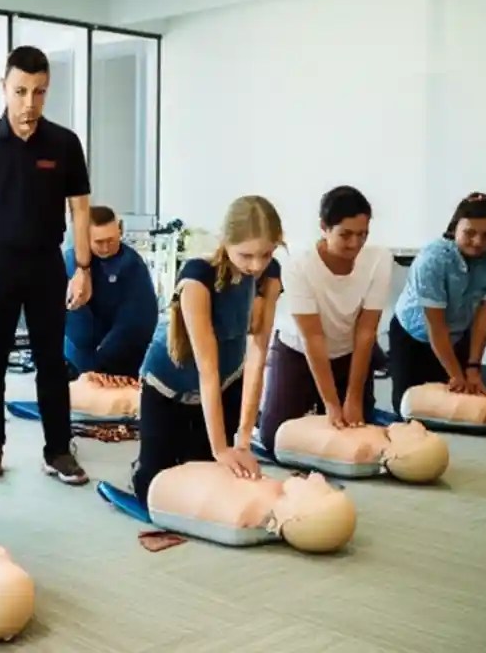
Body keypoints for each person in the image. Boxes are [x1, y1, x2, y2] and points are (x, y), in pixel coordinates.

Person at [0, 45, 93, 485]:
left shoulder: (64, 144)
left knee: (52, 362)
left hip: (46, 264)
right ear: (4, 87)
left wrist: (83, 268)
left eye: (40, 92)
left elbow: (80, 209)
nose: (30, 102)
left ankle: (58, 450)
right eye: (21, 91)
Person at [131, 195, 284, 507]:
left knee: (210, 479)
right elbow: (207, 369)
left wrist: (243, 439)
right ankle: (143, 468)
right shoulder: (197, 277)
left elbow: (257, 358)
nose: (257, 265)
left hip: (225, 383)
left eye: (266, 254)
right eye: (246, 255)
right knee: (153, 487)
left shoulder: (270, 274)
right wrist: (220, 449)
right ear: (225, 241)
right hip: (169, 385)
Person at [258, 187, 392, 451]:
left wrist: (353, 397)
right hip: (299, 351)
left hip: (348, 352)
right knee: (275, 439)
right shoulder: (298, 264)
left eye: (363, 234)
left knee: (357, 430)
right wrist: (332, 404)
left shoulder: (379, 260)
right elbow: (313, 338)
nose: (355, 243)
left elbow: (366, 332)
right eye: (345, 235)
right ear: (324, 227)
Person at [388, 192, 486, 411]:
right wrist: (456, 374)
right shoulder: (432, 260)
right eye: (469, 233)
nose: (478, 242)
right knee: (409, 408)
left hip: (457, 335)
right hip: (414, 337)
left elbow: (484, 315)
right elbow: (435, 324)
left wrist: (473, 367)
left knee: (455, 404)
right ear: (454, 228)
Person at [63, 206, 158, 380]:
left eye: (111, 240)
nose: (106, 247)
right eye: (99, 242)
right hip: (75, 362)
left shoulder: (132, 265)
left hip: (120, 363)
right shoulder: (71, 262)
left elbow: (138, 320)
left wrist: (103, 357)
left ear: (119, 231)